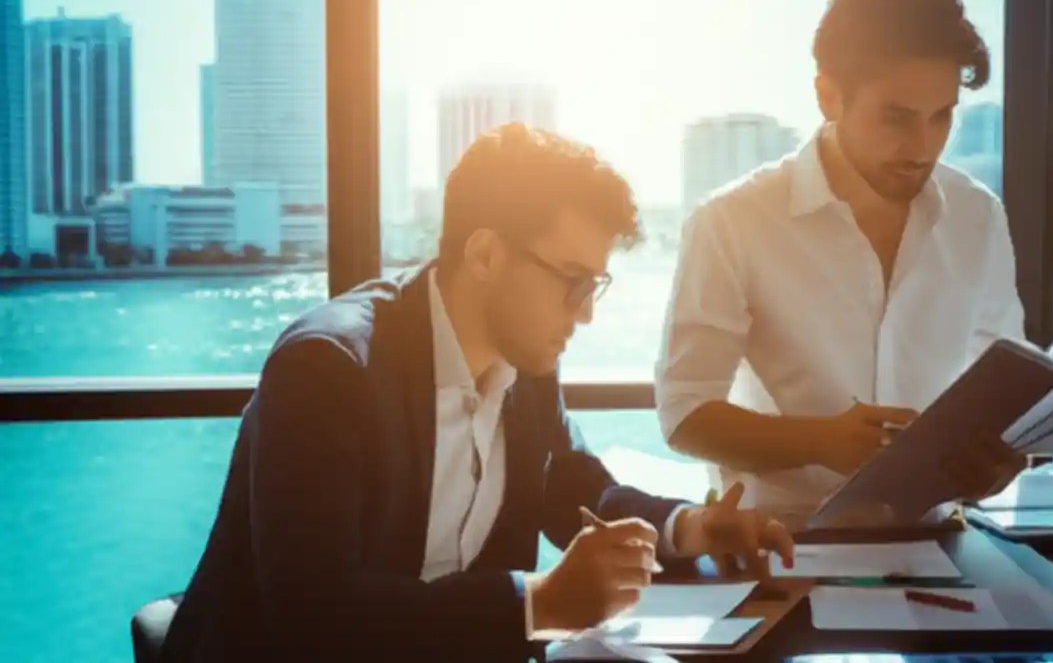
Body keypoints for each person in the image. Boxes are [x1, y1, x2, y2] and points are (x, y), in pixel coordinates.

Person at [163, 123, 795, 662]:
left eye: (593, 287)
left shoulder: (526, 361)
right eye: (573, 283)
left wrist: (688, 526)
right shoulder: (328, 370)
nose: (585, 315)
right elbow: (310, 614)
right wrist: (539, 600)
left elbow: (572, 486)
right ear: (487, 255)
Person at [655, 0, 1027, 528]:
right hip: (781, 543)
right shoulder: (731, 222)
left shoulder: (978, 217)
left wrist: (998, 464)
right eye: (897, 117)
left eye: (942, 116)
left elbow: (1007, 395)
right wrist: (821, 442)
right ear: (829, 95)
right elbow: (684, 414)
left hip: (940, 541)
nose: (922, 146)